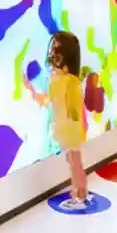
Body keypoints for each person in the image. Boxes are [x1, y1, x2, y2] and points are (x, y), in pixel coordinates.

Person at [26, 30, 90, 210]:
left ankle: (79, 195)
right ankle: (80, 192)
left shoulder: (65, 81)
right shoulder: (66, 80)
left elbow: (64, 105)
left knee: (74, 163)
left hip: (69, 130)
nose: (53, 54)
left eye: (57, 50)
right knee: (75, 162)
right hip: (69, 129)